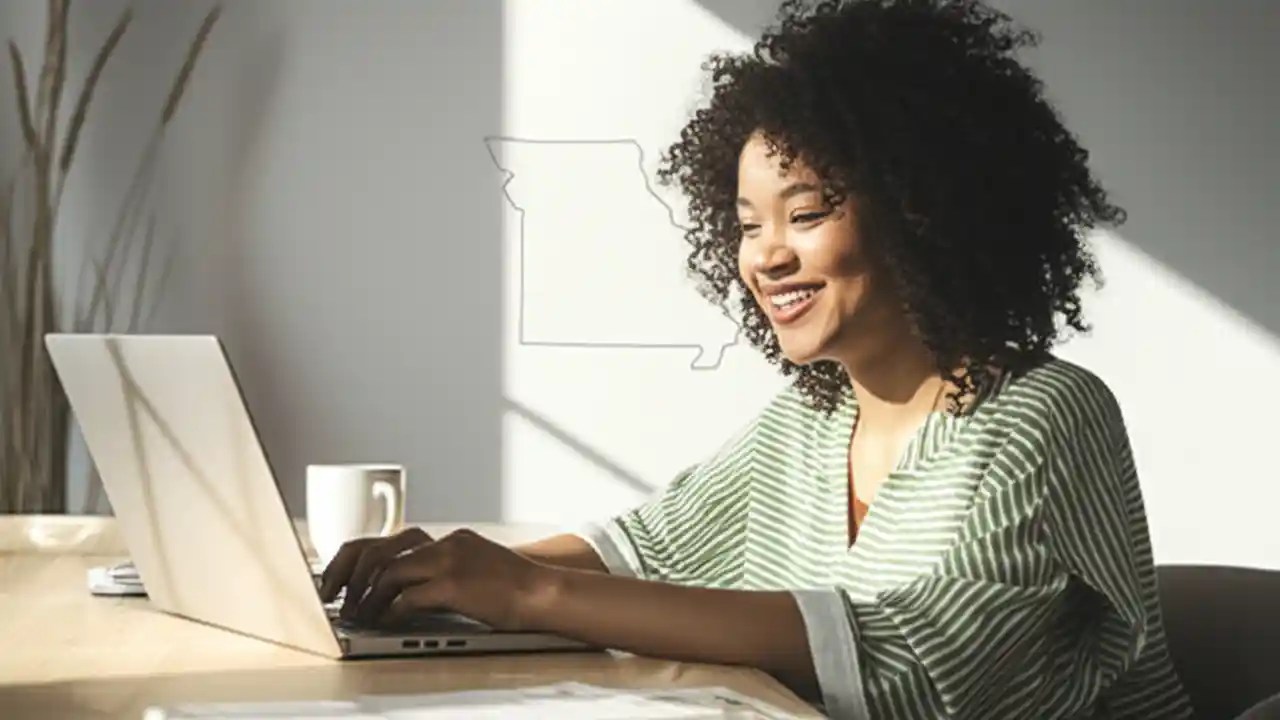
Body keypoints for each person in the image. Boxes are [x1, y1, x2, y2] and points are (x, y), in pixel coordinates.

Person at [320, 0, 1194, 717]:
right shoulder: (811, 422)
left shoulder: (1047, 414)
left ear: (924, 211)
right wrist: (438, 574)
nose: (765, 257)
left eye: (806, 214)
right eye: (746, 225)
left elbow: (926, 676)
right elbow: (644, 548)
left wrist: (526, 593)